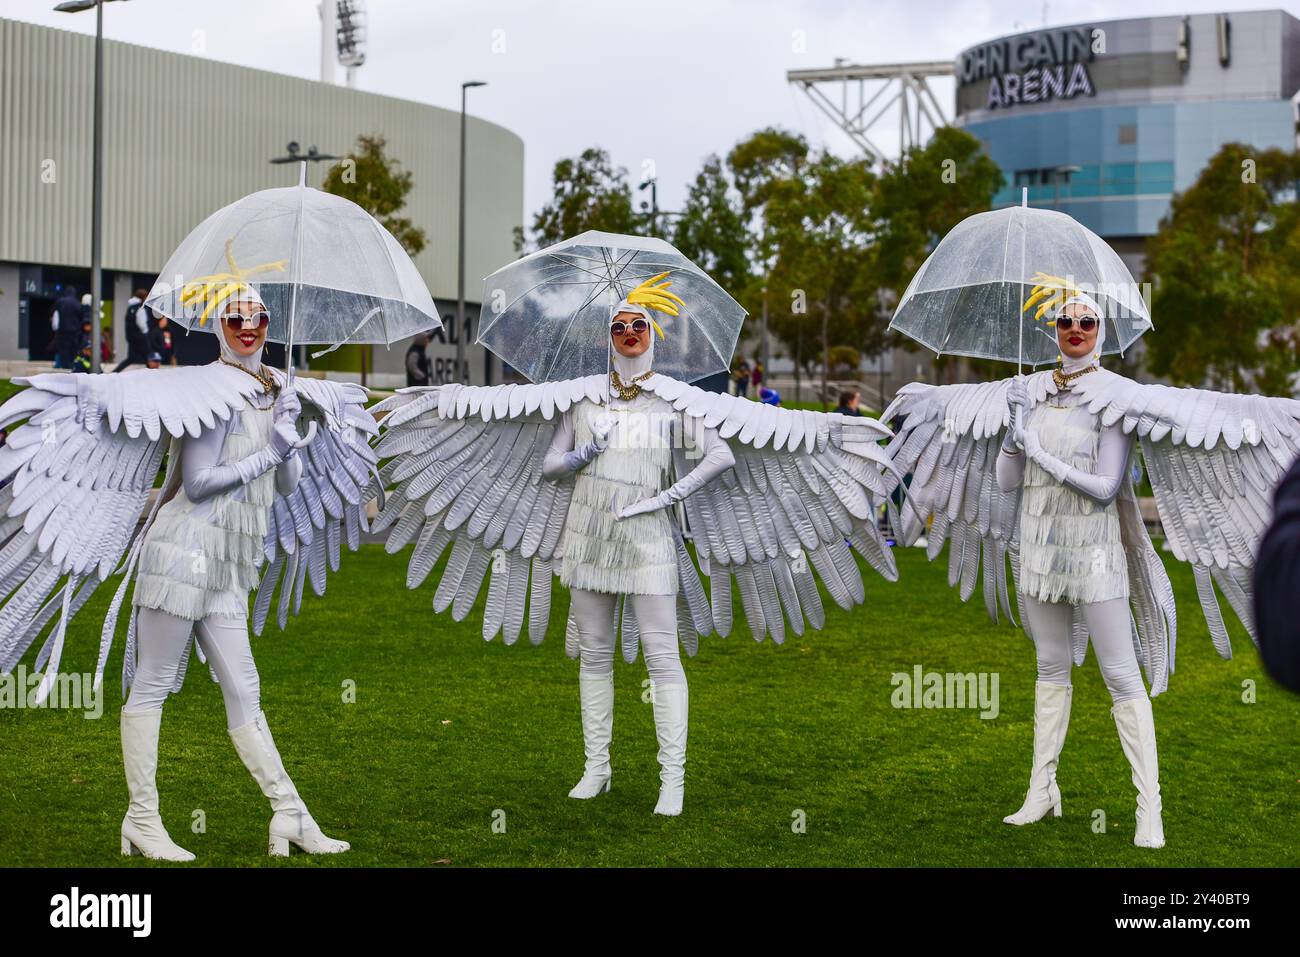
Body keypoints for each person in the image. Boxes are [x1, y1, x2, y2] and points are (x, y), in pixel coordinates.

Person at [114, 288, 350, 861]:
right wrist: (268, 453)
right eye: (237, 317)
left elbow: (287, 486)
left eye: (259, 317)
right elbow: (196, 483)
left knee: (246, 689)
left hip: (228, 565)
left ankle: (289, 814)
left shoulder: (276, 387)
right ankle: (142, 819)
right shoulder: (207, 390)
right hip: (181, 554)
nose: (249, 326)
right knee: (152, 683)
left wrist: (287, 438)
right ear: (218, 325)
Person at [542, 291, 736, 816]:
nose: (629, 333)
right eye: (619, 326)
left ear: (653, 334)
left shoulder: (673, 400)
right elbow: (548, 466)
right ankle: (596, 768)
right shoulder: (583, 400)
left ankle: (672, 779)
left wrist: (668, 497)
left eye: (639, 325)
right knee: (594, 653)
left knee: (663, 657)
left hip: (648, 539)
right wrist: (585, 453)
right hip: (588, 535)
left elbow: (722, 453)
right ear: (608, 336)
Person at [992, 294, 1160, 845]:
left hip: (1093, 548)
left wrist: (1041, 453)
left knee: (1119, 672)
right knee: (1049, 666)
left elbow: (1107, 489)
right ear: (1053, 330)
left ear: (1101, 330)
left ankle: (1148, 809)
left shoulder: (1113, 398)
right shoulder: (1032, 392)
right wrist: (1014, 431)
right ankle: (1042, 791)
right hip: (1039, 544)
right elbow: (1005, 483)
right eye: (1065, 321)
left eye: (1086, 321)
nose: (1075, 329)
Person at [114, 289, 152, 372]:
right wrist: (146, 332)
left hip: (131, 338)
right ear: (143, 297)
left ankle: (115, 372)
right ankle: (152, 375)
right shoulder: (140, 308)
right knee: (148, 357)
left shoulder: (130, 307)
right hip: (141, 337)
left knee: (131, 358)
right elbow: (142, 324)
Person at [49, 287, 81, 369]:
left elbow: (53, 311)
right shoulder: (77, 303)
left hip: (62, 330)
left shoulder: (60, 301)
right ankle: (71, 365)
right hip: (74, 331)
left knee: (63, 348)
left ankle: (64, 365)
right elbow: (81, 315)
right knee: (72, 349)